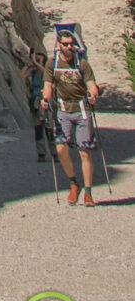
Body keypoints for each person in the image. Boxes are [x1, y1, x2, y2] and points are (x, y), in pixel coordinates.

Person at [43, 32, 101, 207]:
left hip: (82, 110)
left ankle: (88, 192)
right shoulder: (52, 63)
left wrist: (93, 94)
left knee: (84, 150)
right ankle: (73, 183)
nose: (69, 47)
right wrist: (45, 100)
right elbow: (48, 86)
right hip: (62, 110)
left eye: (71, 44)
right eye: (66, 44)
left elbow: (92, 85)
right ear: (59, 44)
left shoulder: (82, 64)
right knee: (61, 149)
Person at [27, 48, 56, 165]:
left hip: (46, 101)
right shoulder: (33, 72)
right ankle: (41, 153)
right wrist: (29, 66)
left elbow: (44, 72)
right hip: (35, 102)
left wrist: (35, 62)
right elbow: (21, 76)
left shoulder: (47, 71)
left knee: (49, 128)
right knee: (38, 128)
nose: (37, 60)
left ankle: (54, 152)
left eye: (40, 59)